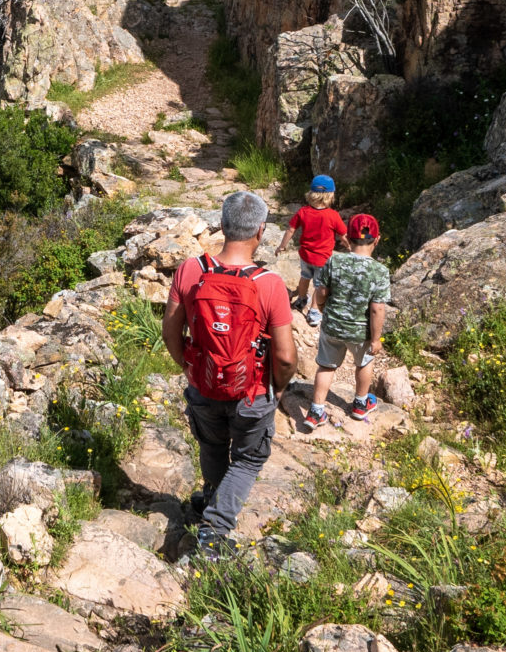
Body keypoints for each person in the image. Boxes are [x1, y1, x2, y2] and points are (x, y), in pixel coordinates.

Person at [162, 189, 297, 558]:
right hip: (251, 392)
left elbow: (170, 331)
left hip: (203, 384)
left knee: (212, 444)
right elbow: (285, 357)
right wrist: (278, 388)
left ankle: (212, 497)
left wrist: (189, 368)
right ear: (261, 231)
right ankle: (215, 530)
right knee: (249, 459)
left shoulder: (191, 270)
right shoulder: (269, 284)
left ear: (222, 226)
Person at [300, 212, 393, 429]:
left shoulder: (334, 260)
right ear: (377, 240)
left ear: (347, 239)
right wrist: (376, 339)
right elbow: (377, 309)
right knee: (364, 362)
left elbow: (321, 291)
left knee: (326, 366)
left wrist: (321, 307)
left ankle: (316, 411)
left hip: (332, 326)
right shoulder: (380, 271)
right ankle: (360, 404)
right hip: (361, 332)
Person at [278, 175, 348, 327]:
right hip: (322, 259)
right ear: (330, 195)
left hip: (305, 256)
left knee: (304, 277)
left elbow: (290, 229)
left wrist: (282, 246)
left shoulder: (303, 212)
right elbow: (343, 236)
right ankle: (314, 310)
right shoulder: (333, 216)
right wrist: (350, 247)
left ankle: (301, 299)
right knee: (319, 285)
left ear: (311, 193)